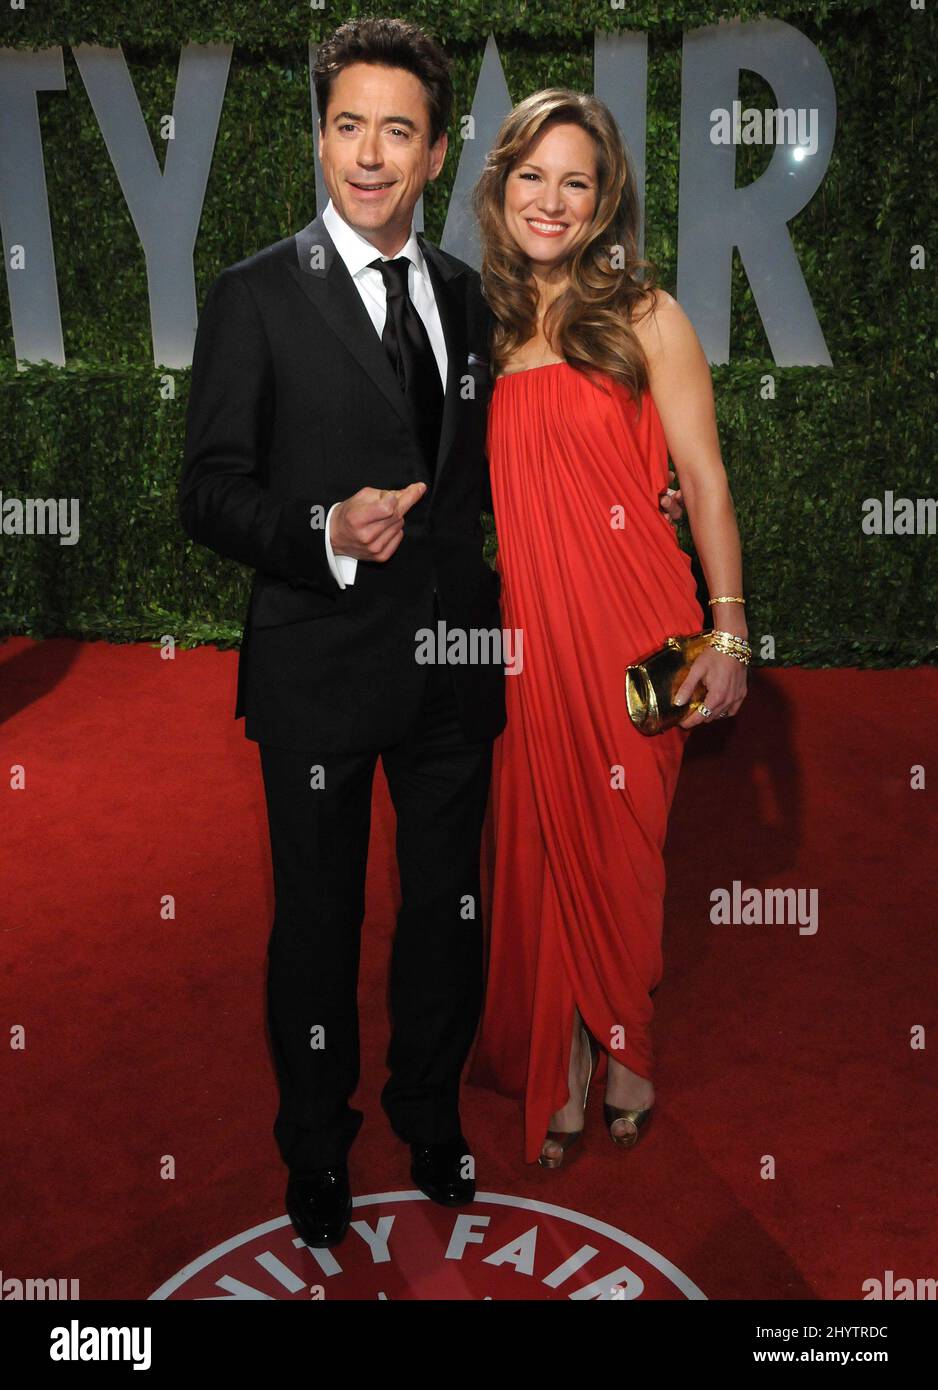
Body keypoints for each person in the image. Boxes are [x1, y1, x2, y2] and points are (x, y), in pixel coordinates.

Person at [180, 20, 683, 1247]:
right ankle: (317, 1143)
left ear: (433, 149)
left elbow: (525, 459)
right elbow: (208, 490)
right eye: (346, 123)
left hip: (456, 671)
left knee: (444, 910)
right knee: (317, 923)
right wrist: (327, 529)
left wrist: (645, 486)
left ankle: (427, 1115)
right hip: (315, 670)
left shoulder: (475, 297)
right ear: (319, 137)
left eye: (394, 129)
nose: (366, 153)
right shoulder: (253, 294)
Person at [468, 90, 749, 1166]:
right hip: (532, 637)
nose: (550, 199)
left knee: (626, 852)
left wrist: (726, 634)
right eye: (530, 176)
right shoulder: (481, 331)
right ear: (498, 189)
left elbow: (704, 484)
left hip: (641, 630)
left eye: (574, 180)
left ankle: (626, 1046)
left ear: (603, 201)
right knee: (539, 849)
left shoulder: (646, 315)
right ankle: (567, 1059)